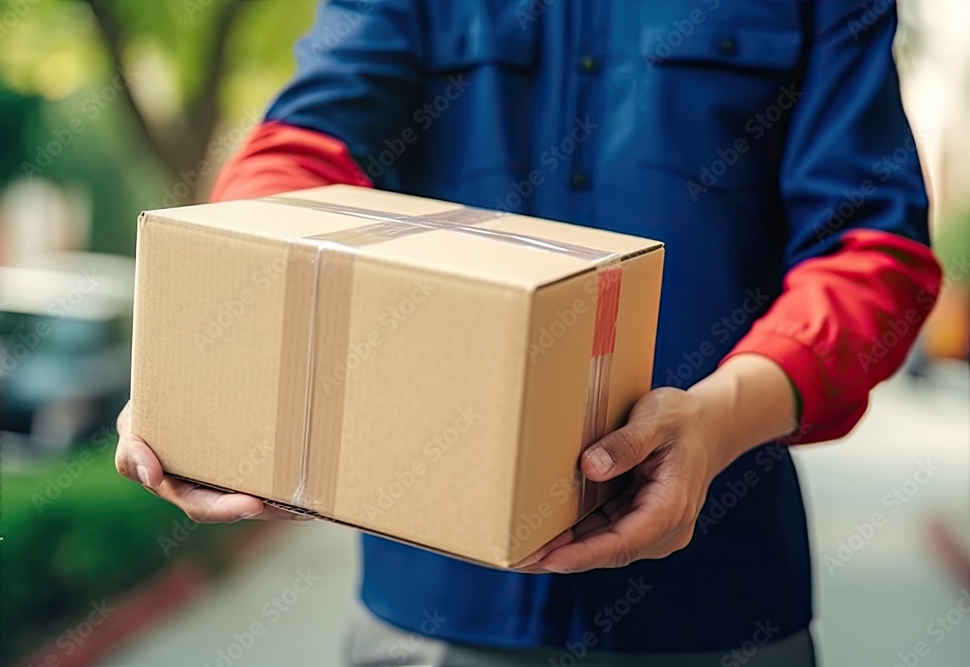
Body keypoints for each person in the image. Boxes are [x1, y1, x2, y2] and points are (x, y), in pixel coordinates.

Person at [115, 1, 943, 664]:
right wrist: (210, 352)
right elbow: (299, 156)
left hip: (716, 597)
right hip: (433, 600)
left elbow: (874, 253)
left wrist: (721, 418)